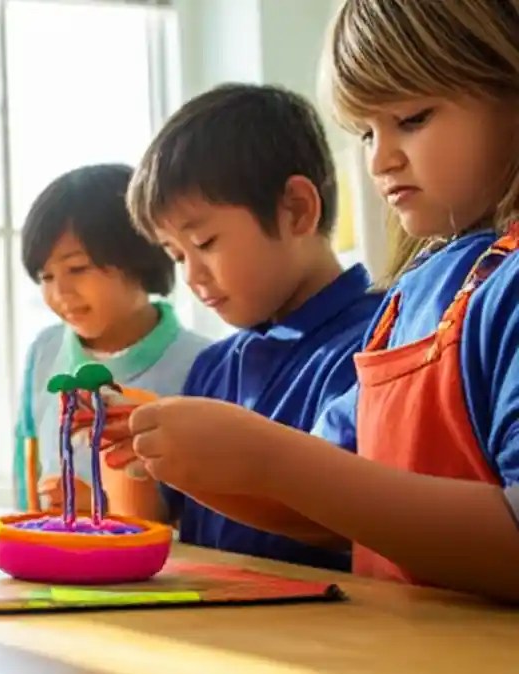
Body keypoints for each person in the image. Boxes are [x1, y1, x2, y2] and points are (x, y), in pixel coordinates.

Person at [105, 0, 519, 601]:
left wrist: (268, 459)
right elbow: (333, 510)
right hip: (405, 653)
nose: (379, 160)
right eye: (367, 132)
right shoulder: (411, 297)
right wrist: (188, 458)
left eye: (412, 118)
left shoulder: (501, 286)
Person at [111, 83, 383, 570]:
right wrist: (130, 449)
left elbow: (349, 520)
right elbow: (163, 521)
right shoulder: (214, 368)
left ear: (297, 210)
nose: (192, 276)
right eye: (177, 256)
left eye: (205, 243)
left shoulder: (379, 347)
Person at [17, 164, 210, 513]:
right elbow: (27, 471)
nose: (60, 293)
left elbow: (206, 513)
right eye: (46, 276)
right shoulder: (45, 351)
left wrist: (101, 508)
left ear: (138, 258)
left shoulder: (205, 365)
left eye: (77, 268)